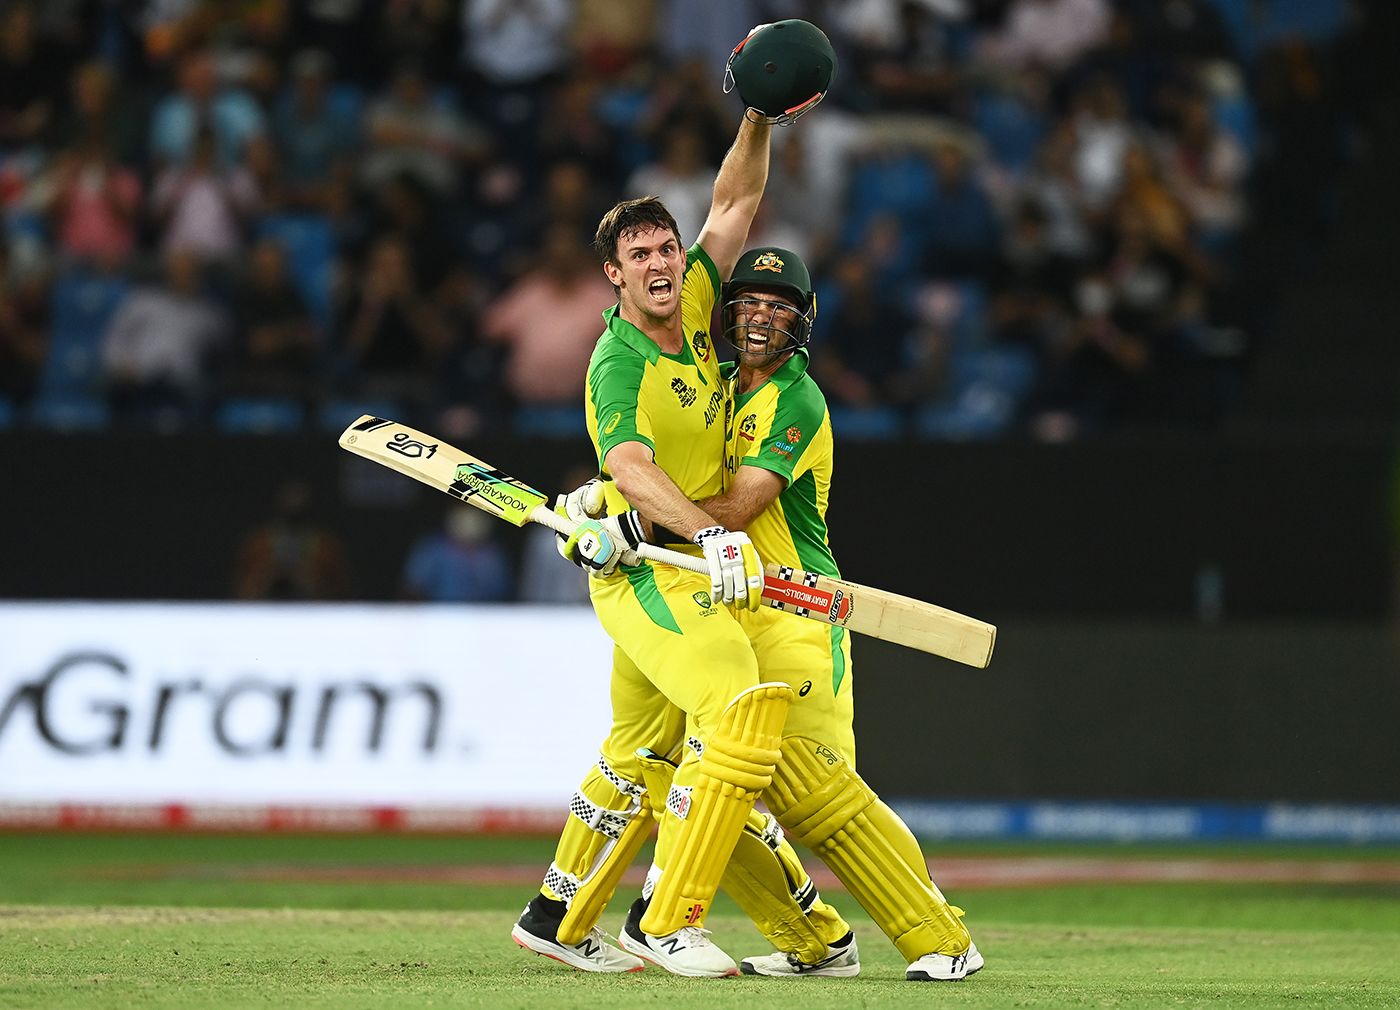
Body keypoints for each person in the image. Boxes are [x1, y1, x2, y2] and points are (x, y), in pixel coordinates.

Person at [550, 247, 986, 983]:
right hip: (727, 608)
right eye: (749, 302)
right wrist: (600, 500)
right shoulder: (715, 385)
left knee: (818, 796)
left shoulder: (796, 399)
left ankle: (943, 940)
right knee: (710, 786)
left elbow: (738, 508)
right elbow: (663, 473)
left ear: (803, 321)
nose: (760, 317)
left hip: (797, 614)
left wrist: (631, 528)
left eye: (779, 306)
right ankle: (810, 941)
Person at [509, 23, 843, 977]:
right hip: (648, 561)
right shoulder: (615, 359)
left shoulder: (698, 300)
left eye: (666, 245)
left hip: (693, 553)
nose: (661, 263)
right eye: (640, 255)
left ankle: (555, 918)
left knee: (640, 748)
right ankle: (669, 918)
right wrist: (709, 530)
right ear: (612, 276)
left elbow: (736, 197)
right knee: (738, 703)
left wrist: (758, 114)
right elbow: (630, 463)